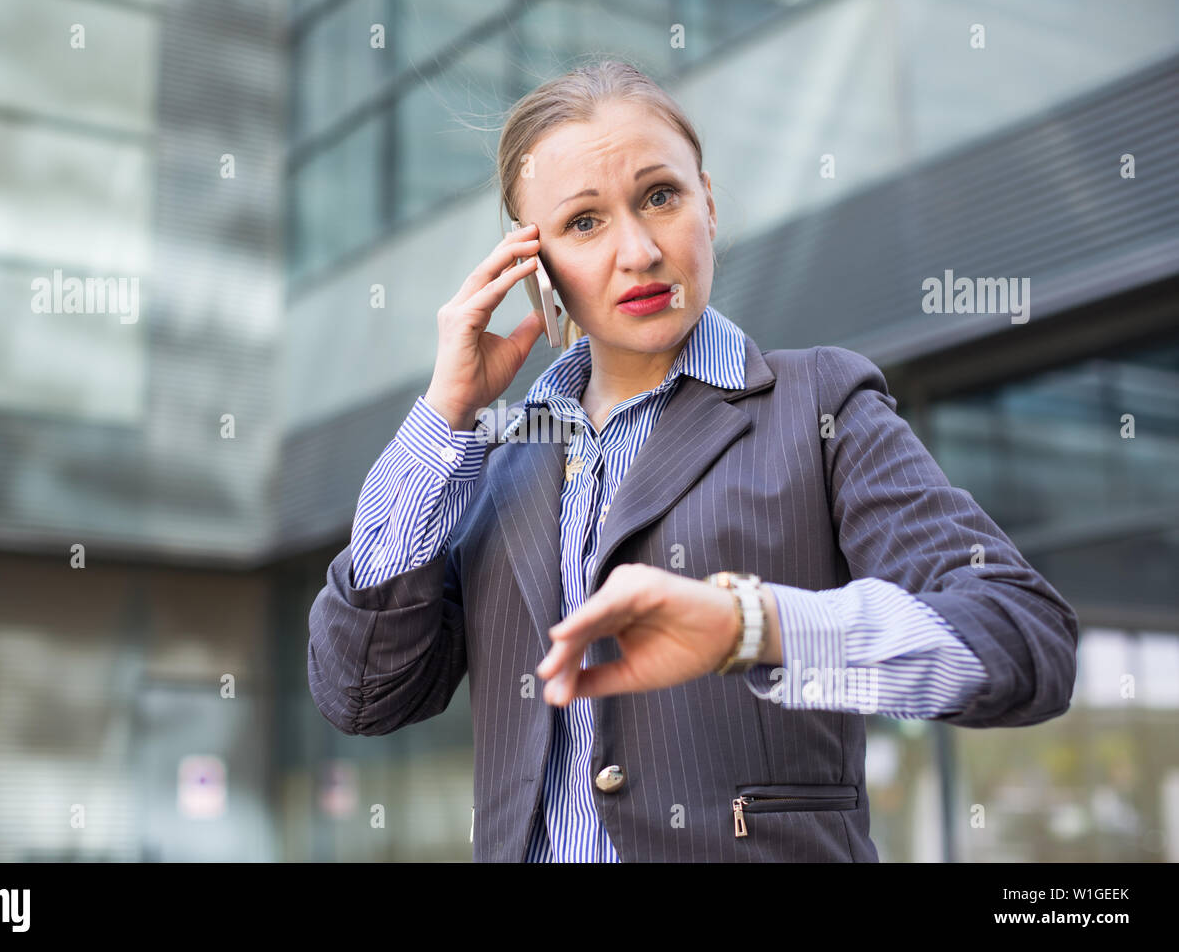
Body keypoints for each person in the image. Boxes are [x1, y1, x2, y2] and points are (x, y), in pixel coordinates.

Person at [306, 60, 1078, 862]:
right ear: (535, 267)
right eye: (583, 223)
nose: (638, 251)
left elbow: (1026, 642)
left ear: (707, 202)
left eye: (660, 197)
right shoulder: (496, 463)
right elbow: (362, 694)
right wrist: (444, 414)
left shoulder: (821, 405)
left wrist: (758, 626)